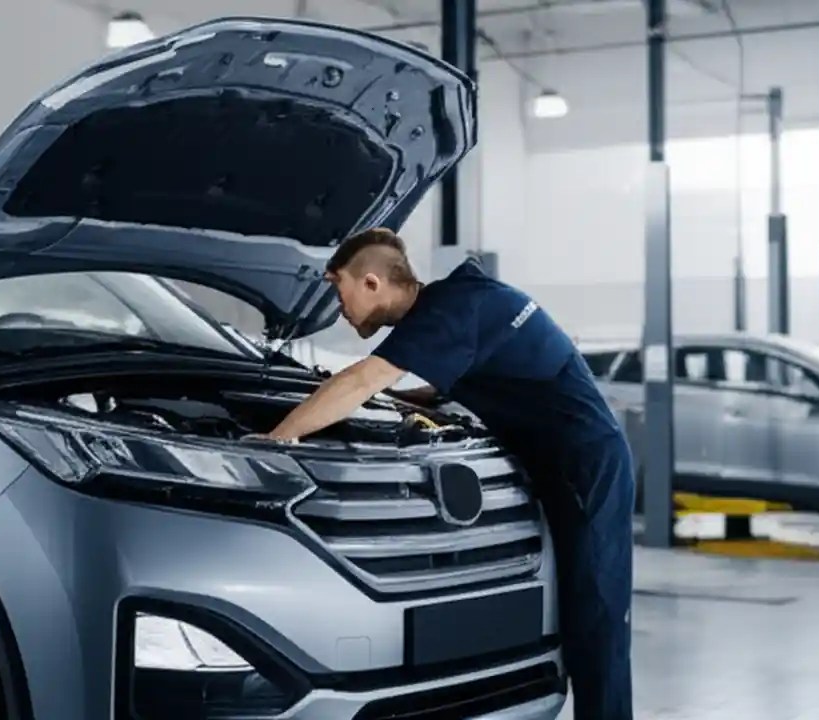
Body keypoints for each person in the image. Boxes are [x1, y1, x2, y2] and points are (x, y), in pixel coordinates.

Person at [250, 228, 634, 720]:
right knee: (579, 615)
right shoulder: (456, 302)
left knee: (597, 621)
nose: (339, 307)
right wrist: (386, 399)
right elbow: (438, 386)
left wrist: (279, 436)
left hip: (584, 469)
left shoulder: (450, 312)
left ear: (371, 282)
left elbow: (363, 378)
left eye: (339, 288)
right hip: (565, 465)